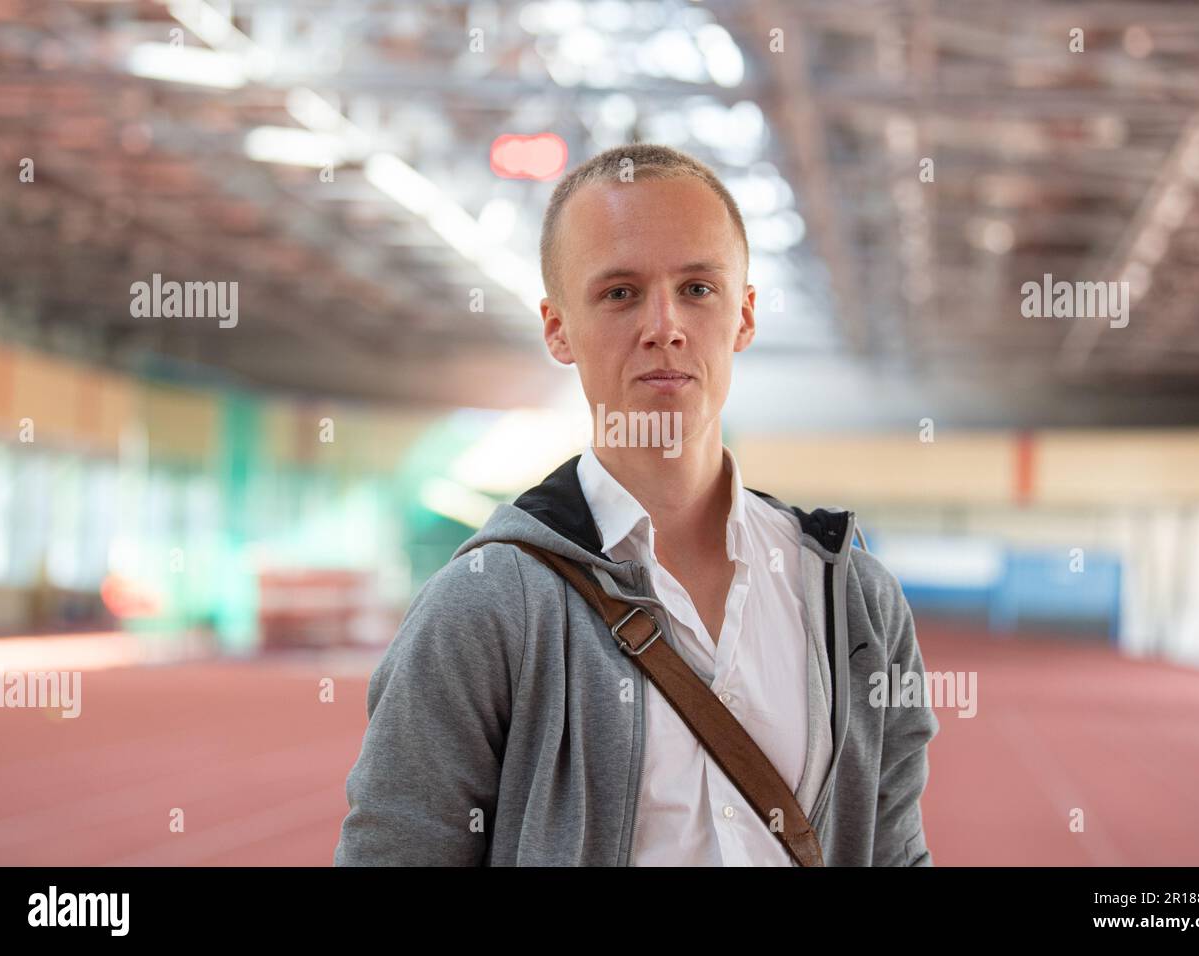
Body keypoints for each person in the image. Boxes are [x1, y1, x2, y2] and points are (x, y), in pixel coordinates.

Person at [334, 143, 939, 866]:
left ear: (744, 316)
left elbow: (895, 855)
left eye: (698, 289)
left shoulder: (858, 605)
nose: (664, 326)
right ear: (558, 327)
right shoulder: (485, 608)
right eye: (620, 292)